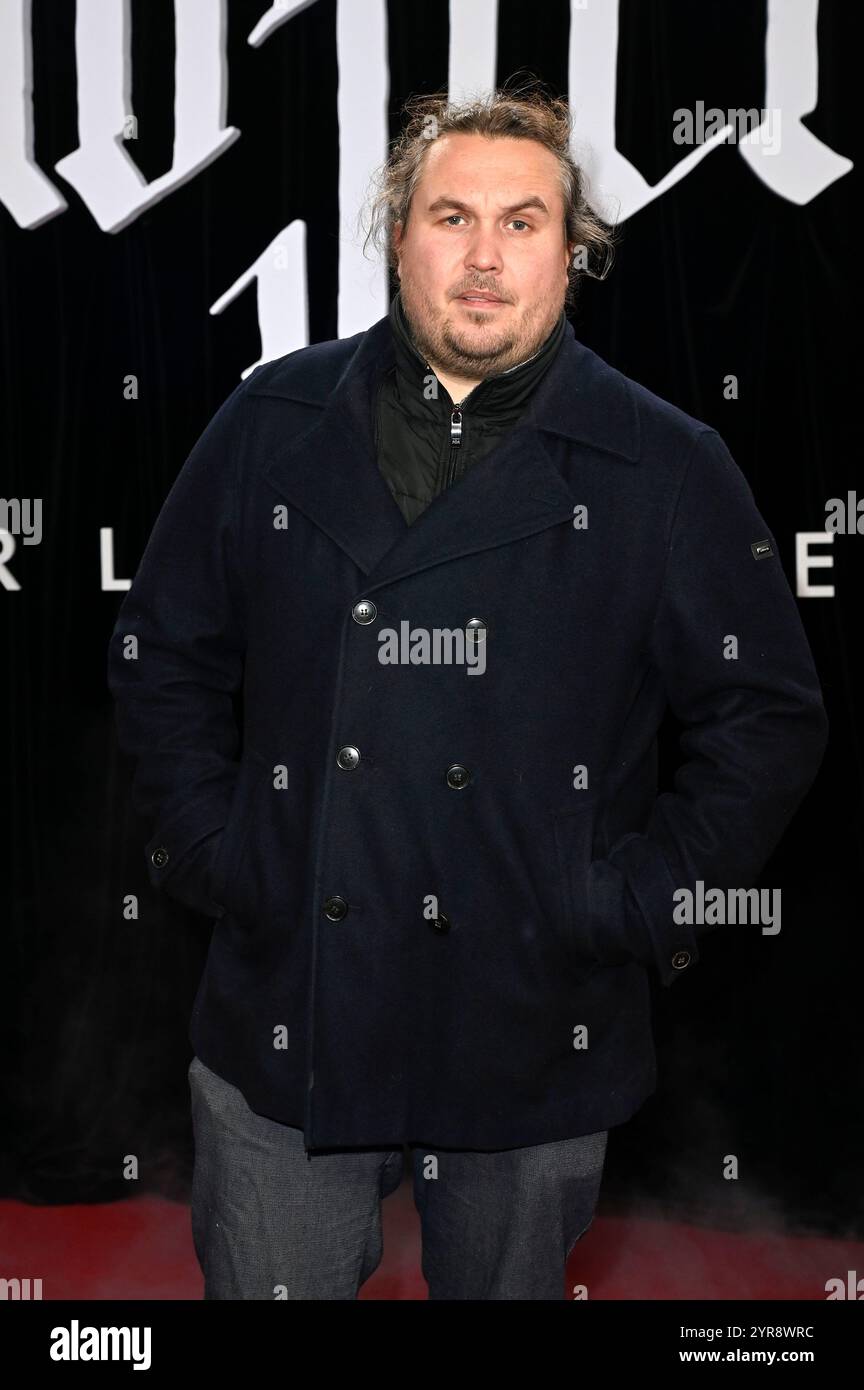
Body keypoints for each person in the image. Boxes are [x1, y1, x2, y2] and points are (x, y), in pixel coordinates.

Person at [106, 85, 829, 1300]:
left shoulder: (663, 465)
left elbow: (768, 715)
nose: (484, 256)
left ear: (573, 252)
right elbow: (162, 654)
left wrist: (636, 903)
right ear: (400, 238)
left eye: (523, 221)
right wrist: (228, 855)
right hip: (295, 995)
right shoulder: (270, 421)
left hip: (532, 1015)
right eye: (450, 216)